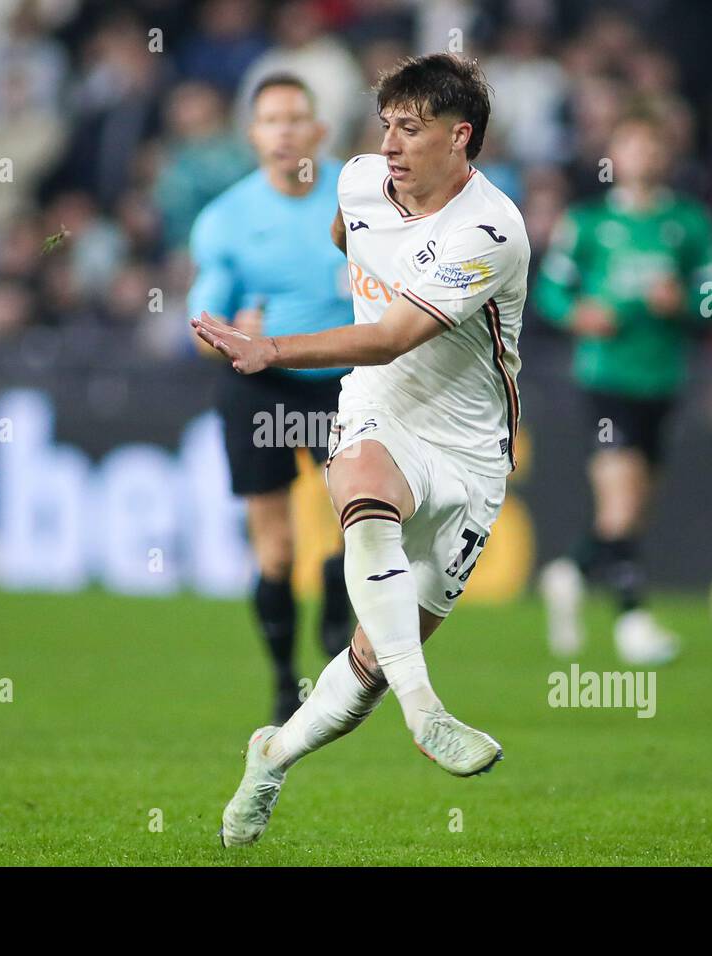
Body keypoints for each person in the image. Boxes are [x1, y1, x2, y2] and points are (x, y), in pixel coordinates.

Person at [194, 53, 530, 846]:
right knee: (362, 489)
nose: (390, 144)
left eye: (410, 130)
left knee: (368, 661)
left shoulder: (491, 231)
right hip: (380, 407)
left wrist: (270, 348)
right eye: (385, 125)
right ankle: (428, 711)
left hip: (472, 449)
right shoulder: (355, 181)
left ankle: (273, 756)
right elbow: (348, 235)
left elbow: (387, 336)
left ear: (461, 137)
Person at [187, 73, 355, 724]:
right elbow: (204, 325)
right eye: (271, 120)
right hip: (260, 384)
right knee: (276, 547)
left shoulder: (358, 194)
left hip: (344, 378)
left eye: (296, 118)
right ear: (253, 136)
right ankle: (286, 679)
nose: (285, 131)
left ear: (319, 130)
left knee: (359, 516)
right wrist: (230, 336)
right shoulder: (228, 219)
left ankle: (339, 604)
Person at [533, 110, 712, 664]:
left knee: (632, 512)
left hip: (662, 379)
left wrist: (685, 303)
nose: (641, 156)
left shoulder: (688, 222)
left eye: (650, 146)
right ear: (613, 157)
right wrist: (580, 315)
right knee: (619, 501)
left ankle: (569, 572)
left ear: (664, 156)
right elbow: (550, 293)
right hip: (605, 380)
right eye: (630, 146)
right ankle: (632, 622)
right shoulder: (587, 223)